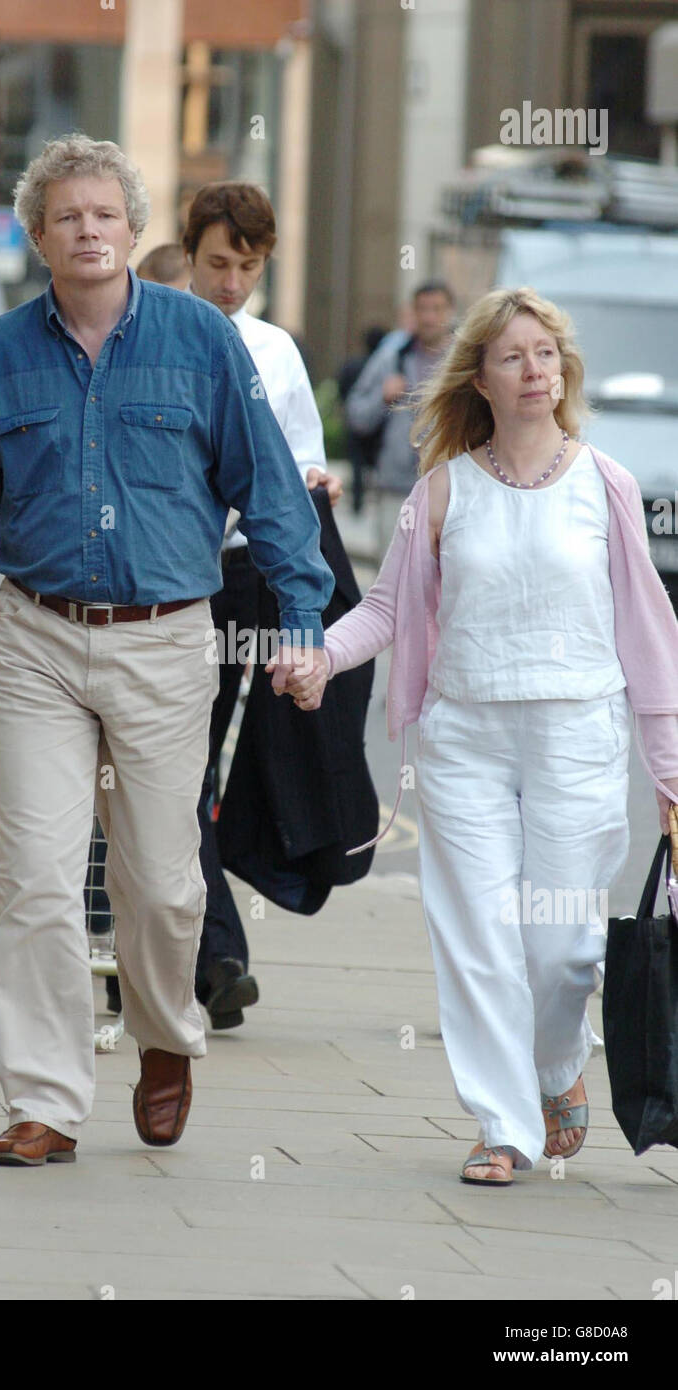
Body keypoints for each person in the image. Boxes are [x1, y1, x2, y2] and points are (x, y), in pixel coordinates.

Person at [0, 133, 334, 1166]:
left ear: (134, 228)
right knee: (32, 876)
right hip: (33, 636)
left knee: (164, 885)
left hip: (164, 641)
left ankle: (165, 1035)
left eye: (105, 213)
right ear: (37, 236)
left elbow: (275, 495)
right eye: (67, 215)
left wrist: (303, 619)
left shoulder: (204, 346)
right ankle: (46, 1099)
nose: (88, 229)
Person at [276, 286, 678, 1186]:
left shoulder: (602, 482)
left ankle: (554, 1064)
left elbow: (649, 635)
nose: (534, 370)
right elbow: (386, 608)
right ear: (481, 380)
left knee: (561, 945)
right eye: (512, 356)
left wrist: (669, 771)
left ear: (562, 370)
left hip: (577, 734)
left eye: (546, 354)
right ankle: (504, 1126)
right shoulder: (442, 490)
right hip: (463, 739)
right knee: (477, 937)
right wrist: (318, 659)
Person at [183, 179, 342, 1029]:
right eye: (216, 262)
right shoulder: (157, 330)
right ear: (188, 253)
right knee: (160, 762)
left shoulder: (276, 351)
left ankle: (185, 948)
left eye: (246, 266)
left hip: (242, 575)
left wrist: (319, 481)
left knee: (192, 759)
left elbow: (302, 461)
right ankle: (207, 952)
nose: (230, 281)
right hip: (162, 576)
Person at [345, 281, 454, 554]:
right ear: (412, 312)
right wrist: (382, 397)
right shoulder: (391, 358)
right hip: (395, 490)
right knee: (391, 581)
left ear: (450, 312)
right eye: (422, 309)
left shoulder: (463, 363)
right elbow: (356, 415)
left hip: (450, 490)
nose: (429, 317)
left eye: (437, 309)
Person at [337, 324, 388, 513]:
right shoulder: (383, 366)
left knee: (357, 466)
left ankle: (357, 503)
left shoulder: (353, 364)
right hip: (377, 427)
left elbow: (341, 389)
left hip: (354, 425)